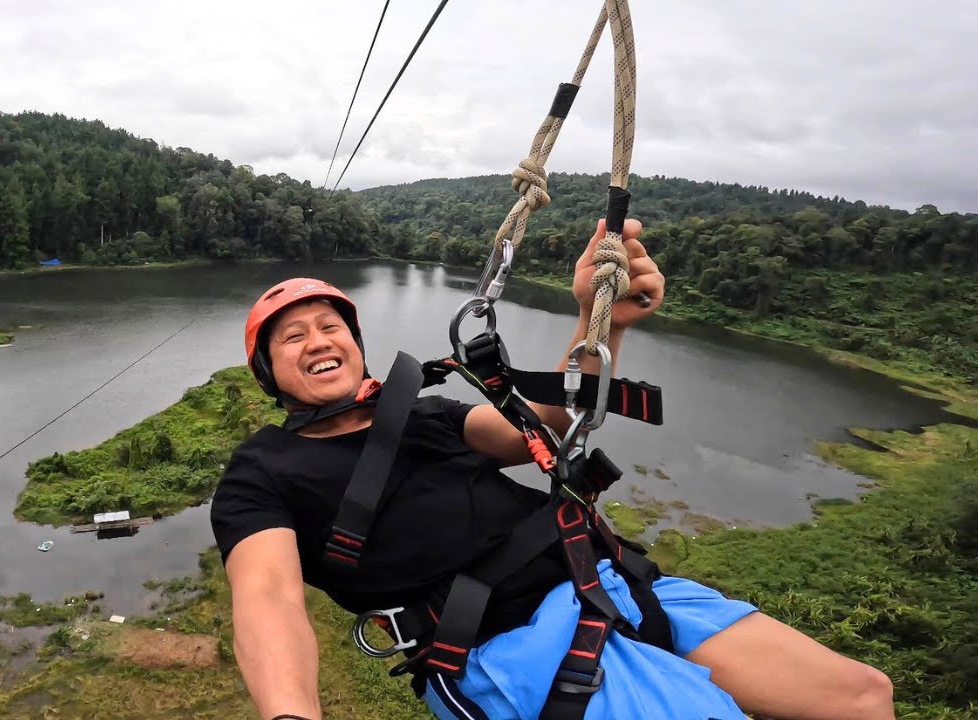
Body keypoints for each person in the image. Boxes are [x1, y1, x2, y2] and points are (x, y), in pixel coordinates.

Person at [210, 219, 895, 720]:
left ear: (356, 347)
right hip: (501, 640)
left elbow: (540, 426)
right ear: (272, 375)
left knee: (863, 695)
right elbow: (268, 597)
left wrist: (602, 324)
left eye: (330, 326)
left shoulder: (426, 416)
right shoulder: (262, 471)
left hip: (608, 579)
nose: (318, 341)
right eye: (292, 337)